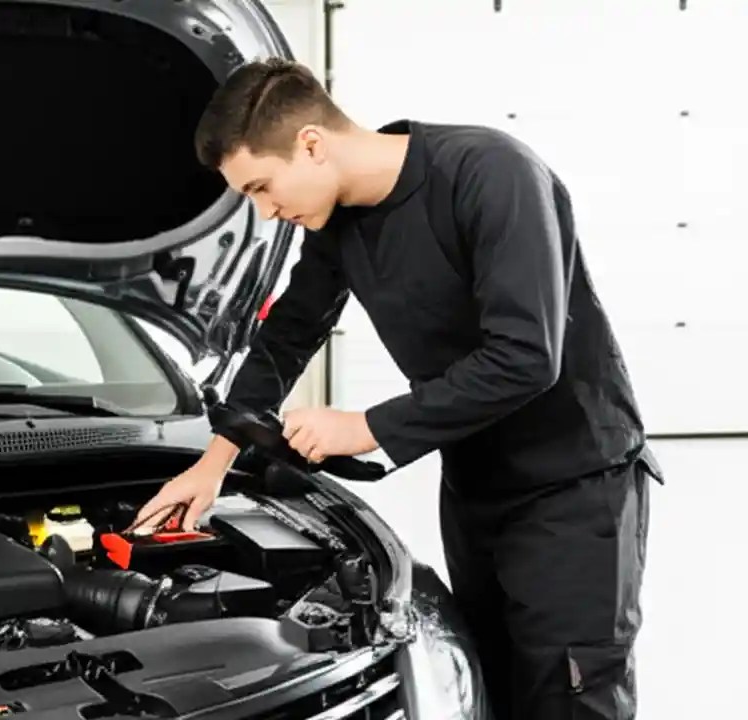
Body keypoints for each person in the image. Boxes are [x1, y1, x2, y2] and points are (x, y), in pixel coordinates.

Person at [131, 58, 660, 720]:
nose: (266, 214)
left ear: (312, 144)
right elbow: (288, 335)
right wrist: (214, 464)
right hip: (475, 486)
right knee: (485, 683)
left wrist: (365, 427)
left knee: (568, 695)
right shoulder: (338, 222)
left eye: (263, 188)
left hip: (575, 488)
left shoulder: (490, 174)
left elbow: (527, 356)